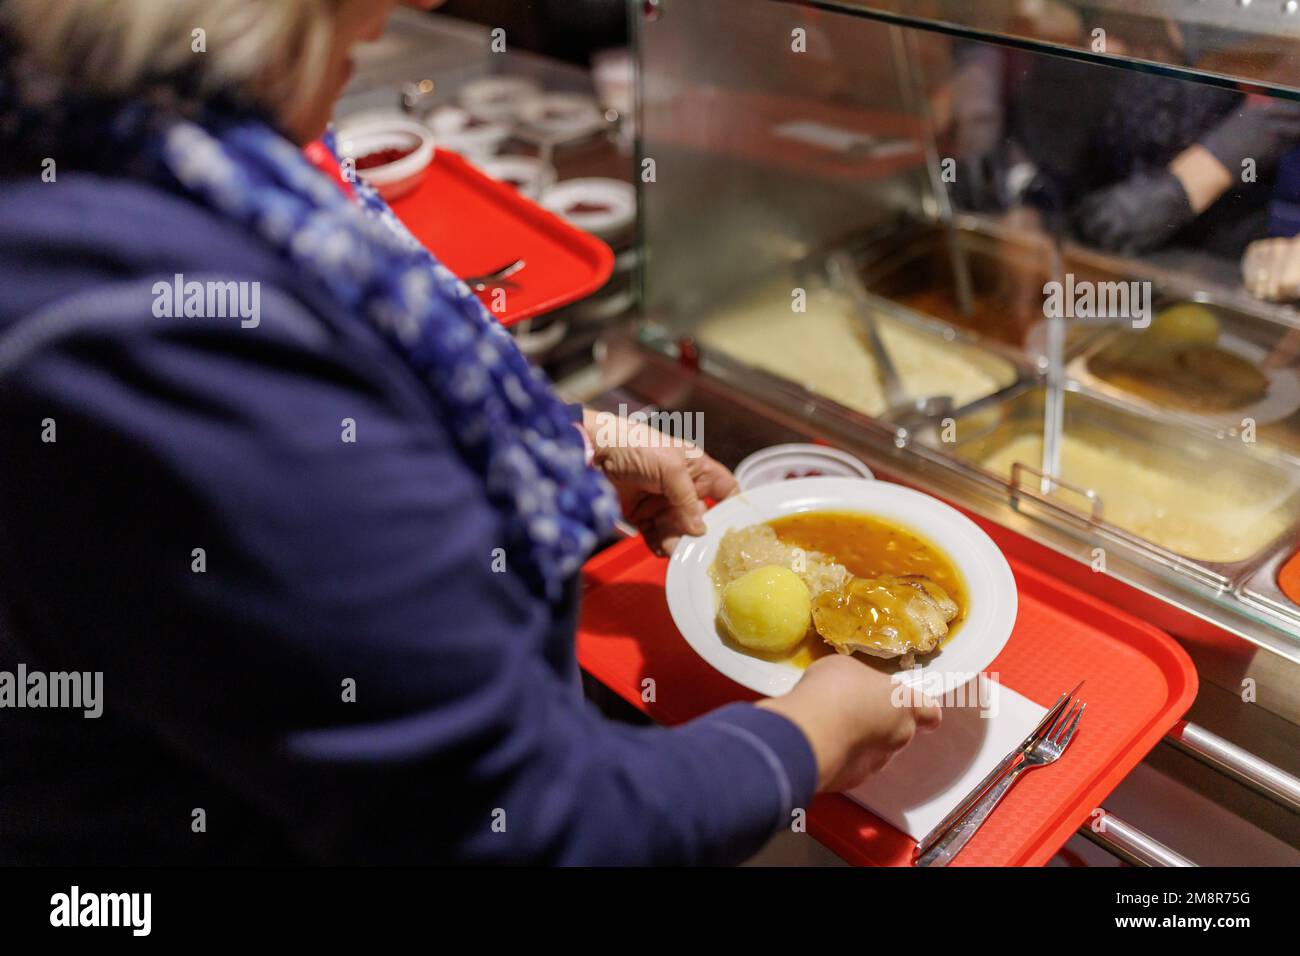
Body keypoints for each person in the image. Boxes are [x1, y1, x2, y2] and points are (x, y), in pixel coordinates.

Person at [0, 0, 939, 865]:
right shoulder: (159, 329)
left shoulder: (113, 154)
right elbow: (534, 825)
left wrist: (551, 446)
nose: (420, 8)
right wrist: (809, 737)